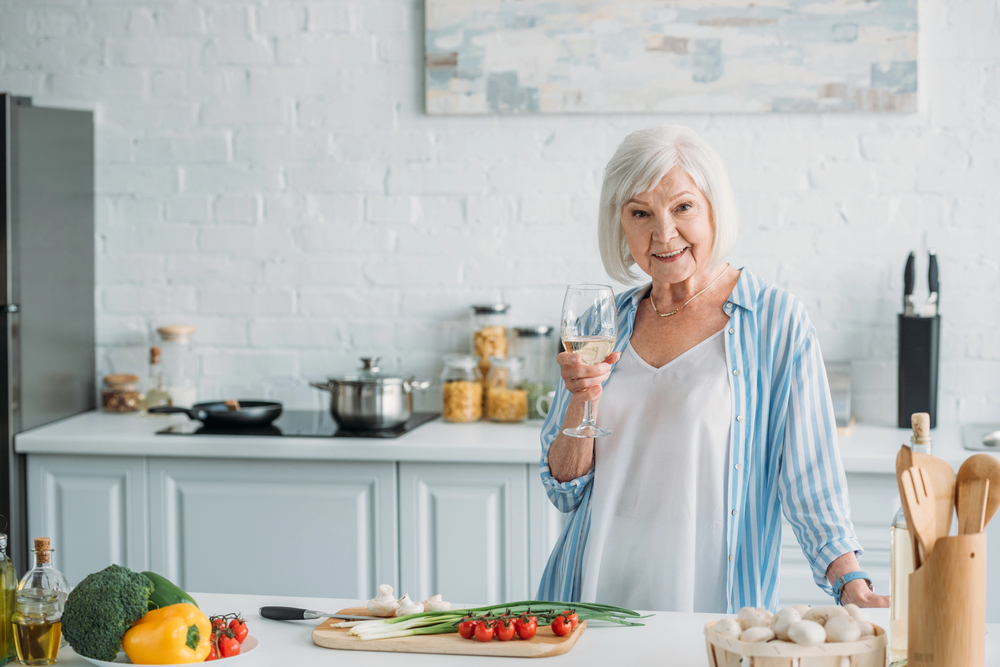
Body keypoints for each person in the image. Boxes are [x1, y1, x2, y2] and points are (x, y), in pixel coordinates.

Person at [537, 125, 888, 613]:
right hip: (588, 602)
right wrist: (580, 397)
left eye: (683, 207)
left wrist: (853, 584)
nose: (664, 234)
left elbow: (812, 483)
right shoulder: (605, 321)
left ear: (713, 209)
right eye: (641, 213)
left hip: (709, 611)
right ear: (620, 223)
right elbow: (563, 488)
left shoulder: (774, 322)